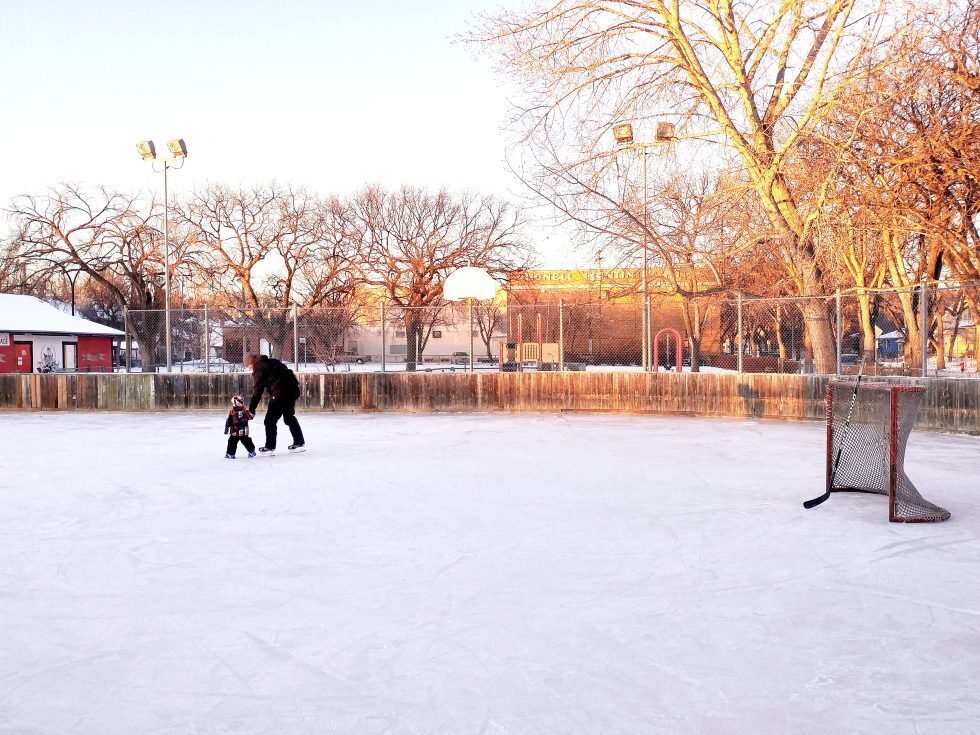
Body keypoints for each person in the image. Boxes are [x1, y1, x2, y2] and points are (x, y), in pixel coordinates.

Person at [245, 353, 305, 454]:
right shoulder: (271, 361)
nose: (249, 367)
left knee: (269, 421)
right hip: (292, 390)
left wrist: (251, 410)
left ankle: (270, 447)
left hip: (280, 394)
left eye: (248, 365)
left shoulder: (259, 368)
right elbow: (287, 371)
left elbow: (257, 390)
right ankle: (299, 443)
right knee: (289, 417)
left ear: (251, 362)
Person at [224, 394, 256, 459]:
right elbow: (251, 416)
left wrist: (226, 428)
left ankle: (230, 454)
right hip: (244, 431)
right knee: (246, 440)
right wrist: (252, 411)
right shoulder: (245, 411)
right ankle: (252, 451)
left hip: (235, 431)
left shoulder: (233, 412)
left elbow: (229, 421)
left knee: (232, 441)